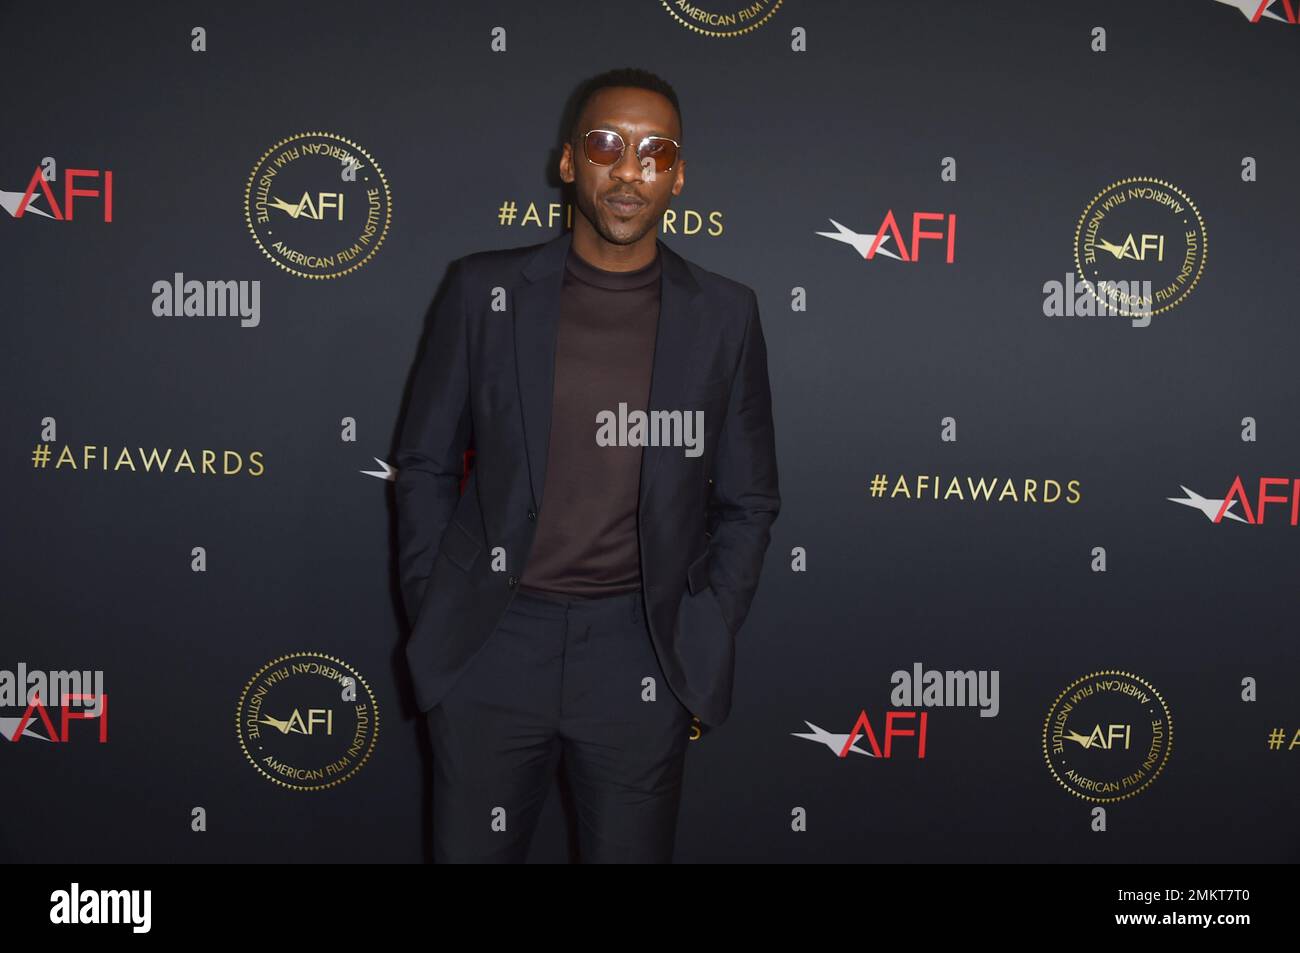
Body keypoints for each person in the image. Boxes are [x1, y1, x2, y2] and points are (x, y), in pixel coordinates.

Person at [395, 67, 780, 863]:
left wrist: (701, 634)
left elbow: (749, 498)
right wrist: (438, 608)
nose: (629, 168)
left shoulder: (725, 314)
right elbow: (425, 461)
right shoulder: (483, 291)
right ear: (569, 163)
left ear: (678, 175)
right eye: (607, 144)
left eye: (654, 150)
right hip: (491, 646)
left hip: (639, 653)